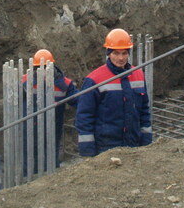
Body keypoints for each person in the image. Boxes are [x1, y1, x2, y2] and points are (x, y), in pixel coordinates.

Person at [75, 28, 152, 157]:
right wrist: (88, 151)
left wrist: (147, 140)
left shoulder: (138, 74)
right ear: (109, 53)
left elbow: (144, 110)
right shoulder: (94, 79)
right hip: (106, 146)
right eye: (116, 53)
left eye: (124, 53)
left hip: (134, 143)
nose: (121, 58)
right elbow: (84, 116)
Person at [22, 49, 78, 170]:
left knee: (51, 159)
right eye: (38, 68)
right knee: (30, 159)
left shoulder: (64, 84)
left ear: (52, 66)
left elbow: (78, 101)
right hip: (30, 128)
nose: (41, 71)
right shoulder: (26, 82)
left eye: (45, 67)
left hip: (53, 128)